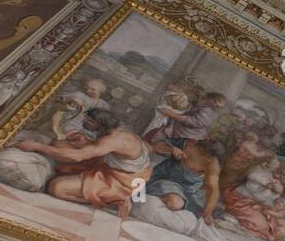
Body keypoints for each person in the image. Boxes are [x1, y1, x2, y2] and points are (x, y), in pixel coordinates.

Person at [14, 108, 152, 219]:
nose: (84, 122)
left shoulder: (113, 139)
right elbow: (109, 150)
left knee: (56, 187)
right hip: (110, 167)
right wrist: (88, 142)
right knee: (58, 145)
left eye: (89, 121)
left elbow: (77, 157)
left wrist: (37, 146)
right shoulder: (112, 132)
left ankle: (116, 198)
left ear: (99, 123)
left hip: (121, 180)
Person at [146, 138, 222, 225]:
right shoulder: (188, 144)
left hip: (189, 191)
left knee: (188, 211)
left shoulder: (212, 164)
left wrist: (208, 211)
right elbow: (155, 146)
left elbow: (213, 189)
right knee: (174, 202)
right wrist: (170, 149)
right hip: (165, 179)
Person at [144, 91, 226, 144]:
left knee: (158, 136)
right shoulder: (201, 100)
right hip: (178, 123)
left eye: (217, 105)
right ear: (212, 96)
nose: (214, 105)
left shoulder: (208, 112)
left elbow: (191, 121)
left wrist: (171, 114)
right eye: (215, 101)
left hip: (187, 133)